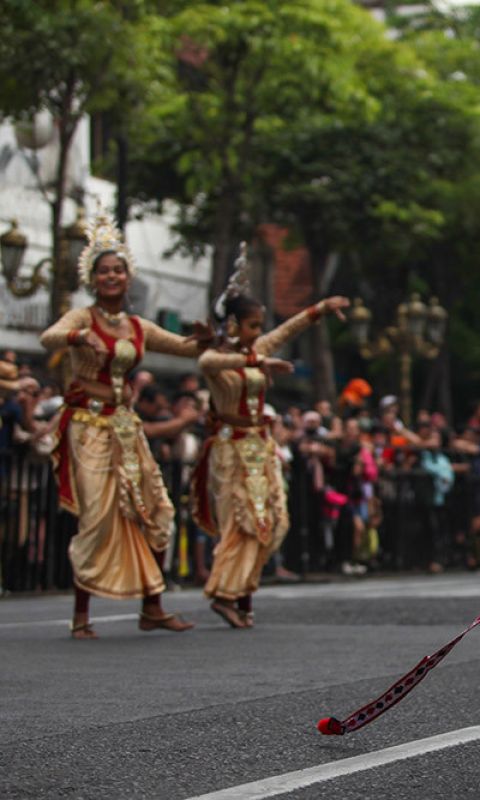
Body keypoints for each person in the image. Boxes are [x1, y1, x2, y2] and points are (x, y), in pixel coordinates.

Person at [40, 212, 214, 639]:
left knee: (154, 509)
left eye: (118, 270)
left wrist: (205, 341)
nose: (112, 276)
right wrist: (77, 338)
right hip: (88, 426)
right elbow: (49, 337)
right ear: (93, 278)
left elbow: (183, 348)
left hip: (125, 427)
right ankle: (81, 616)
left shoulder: (137, 326)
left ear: (128, 276)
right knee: (97, 517)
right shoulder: (81, 318)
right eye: (104, 271)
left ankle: (152, 608)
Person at [192, 246, 349, 627]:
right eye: (251, 326)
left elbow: (287, 330)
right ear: (231, 325)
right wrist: (257, 361)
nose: (258, 333)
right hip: (230, 449)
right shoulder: (220, 358)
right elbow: (207, 362)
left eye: (259, 326)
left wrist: (320, 309)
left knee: (273, 520)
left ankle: (242, 594)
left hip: (260, 447)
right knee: (240, 523)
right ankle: (224, 593)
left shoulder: (257, 349)